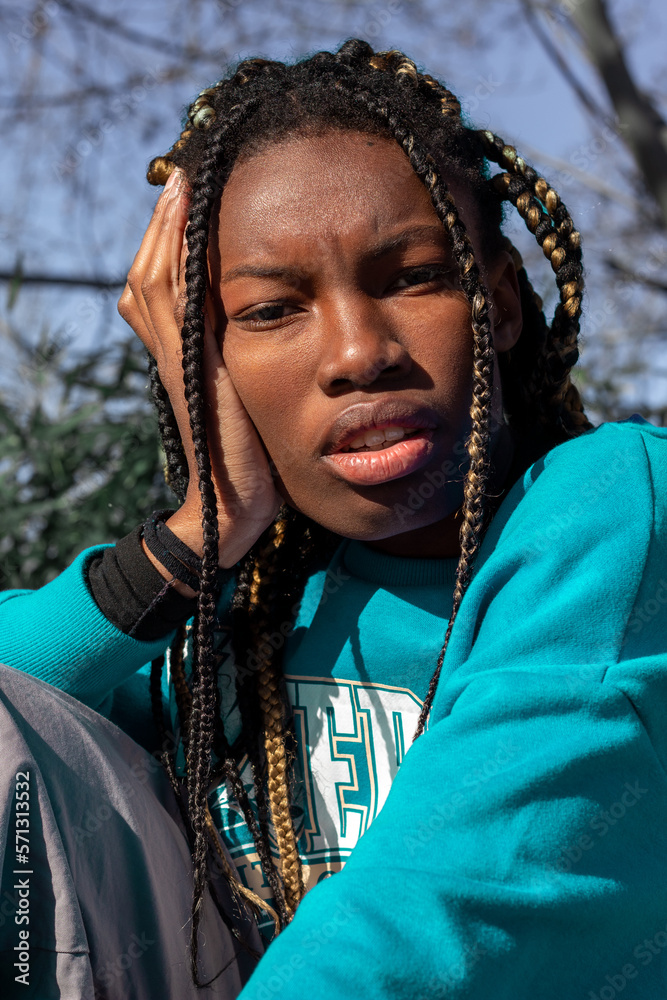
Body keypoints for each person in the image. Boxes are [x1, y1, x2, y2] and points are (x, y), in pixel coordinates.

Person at [1, 36, 666, 999]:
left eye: (412, 277)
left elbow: (436, 918)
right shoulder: (244, 615)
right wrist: (202, 530)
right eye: (270, 310)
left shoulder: (607, 511)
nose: (358, 353)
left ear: (501, 305)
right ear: (203, 360)